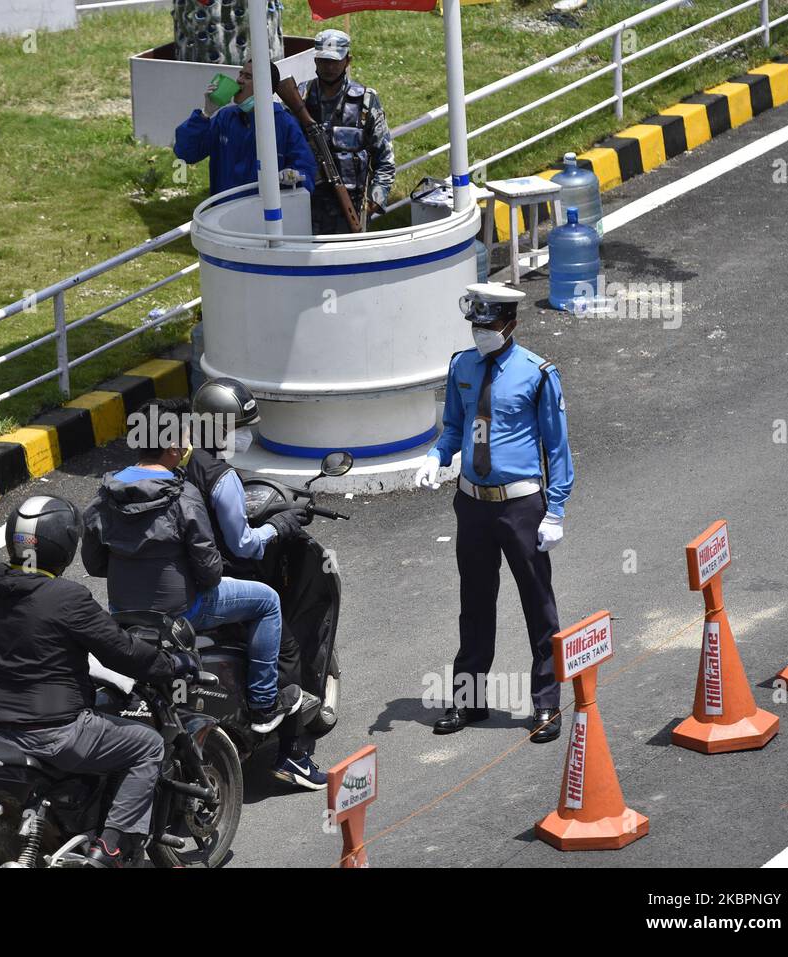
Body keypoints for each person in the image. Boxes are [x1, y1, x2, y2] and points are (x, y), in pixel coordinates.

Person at [0, 495, 196, 868]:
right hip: (55, 734)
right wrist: (171, 664)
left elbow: (23, 637)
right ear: (66, 545)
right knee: (147, 745)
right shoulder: (67, 598)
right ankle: (109, 848)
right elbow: (122, 652)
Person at [414, 282, 574, 743]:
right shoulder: (461, 366)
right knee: (474, 603)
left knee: (538, 605)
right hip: (472, 504)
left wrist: (556, 509)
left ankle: (546, 704)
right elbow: (455, 427)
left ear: (511, 324)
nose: (481, 334)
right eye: (476, 326)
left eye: (489, 327)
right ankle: (469, 700)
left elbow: (557, 448)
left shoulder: (538, 373)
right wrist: (436, 456)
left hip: (521, 506)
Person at [82, 402, 302, 734]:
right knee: (268, 601)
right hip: (183, 611)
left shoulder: (105, 495)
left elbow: (95, 563)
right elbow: (210, 572)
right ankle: (263, 704)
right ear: (172, 447)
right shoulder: (184, 496)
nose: (189, 441)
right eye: (185, 434)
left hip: (124, 611)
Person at [185, 379, 328, 791]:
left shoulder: (188, 462)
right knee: (286, 646)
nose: (246, 434)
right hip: (221, 579)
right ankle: (289, 751)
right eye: (241, 426)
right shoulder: (222, 476)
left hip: (185, 578)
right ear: (223, 428)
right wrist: (279, 526)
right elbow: (244, 544)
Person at [297, 28, 396, 234]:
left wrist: (376, 199)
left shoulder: (366, 100)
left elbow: (384, 158)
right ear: (315, 62)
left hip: (351, 204)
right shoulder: (300, 97)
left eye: (335, 61)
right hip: (305, 204)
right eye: (324, 61)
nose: (329, 67)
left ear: (347, 61)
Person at [174, 58, 316, 198]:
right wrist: (205, 114)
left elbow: (306, 173)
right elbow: (185, 152)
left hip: (264, 216)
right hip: (224, 213)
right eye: (240, 74)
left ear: (264, 86)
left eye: (248, 77)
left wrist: (294, 175)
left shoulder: (284, 123)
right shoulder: (225, 117)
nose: (239, 80)